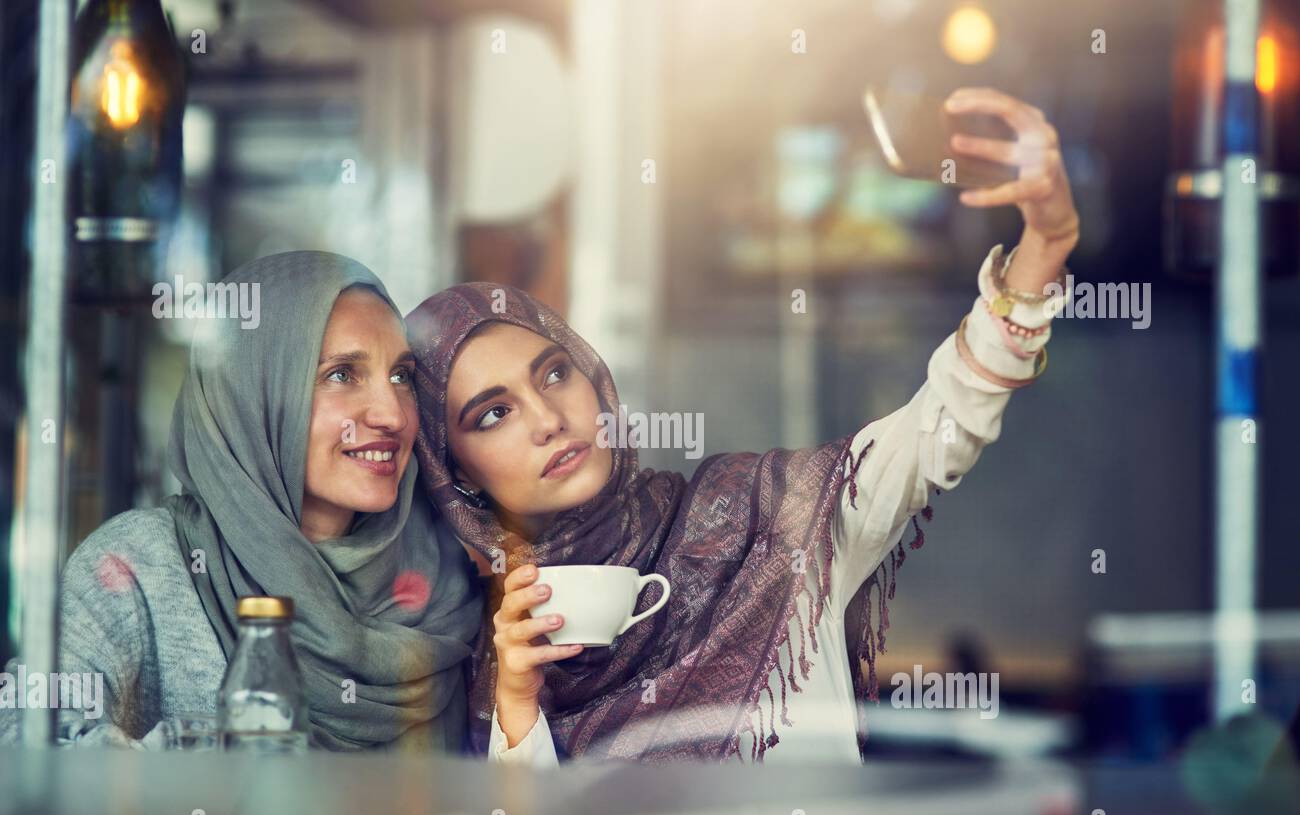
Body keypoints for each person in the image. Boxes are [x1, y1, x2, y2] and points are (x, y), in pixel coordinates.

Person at [406, 88, 1078, 764]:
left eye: (554, 374)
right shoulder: (488, 648)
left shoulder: (770, 519)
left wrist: (1043, 249)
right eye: (493, 414)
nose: (549, 419)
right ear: (454, 470)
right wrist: (520, 704)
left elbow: (939, 430)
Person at [0, 252, 482, 751]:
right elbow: (26, 743)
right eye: (341, 374)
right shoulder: (144, 564)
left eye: (401, 376)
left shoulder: (443, 576)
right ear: (252, 394)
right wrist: (233, 760)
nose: (392, 414)